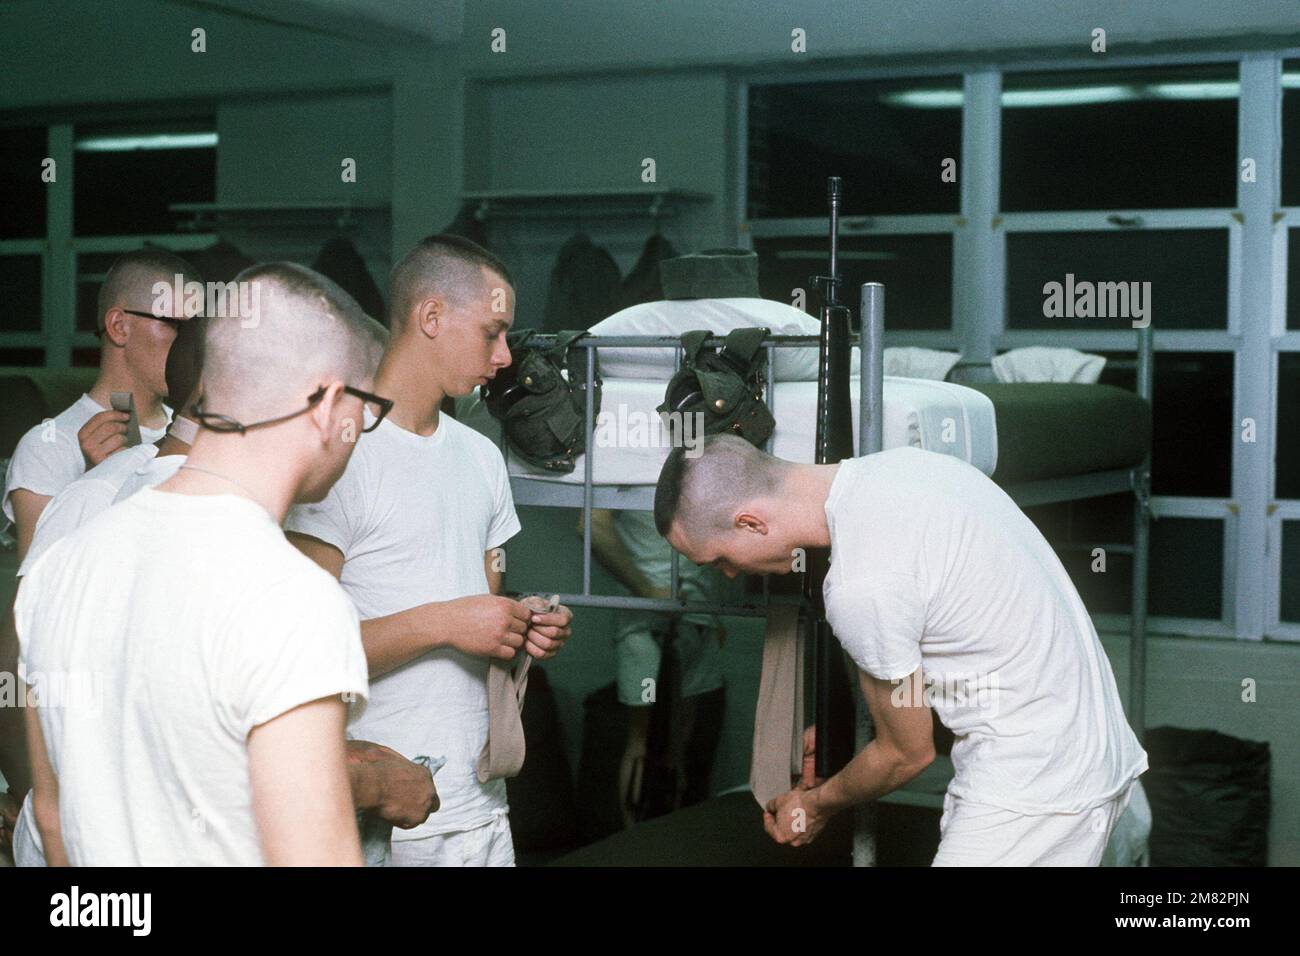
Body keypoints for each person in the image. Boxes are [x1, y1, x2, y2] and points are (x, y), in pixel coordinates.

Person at [15, 263, 387, 865]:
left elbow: (52, 820)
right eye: (367, 412)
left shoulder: (62, 564)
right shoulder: (294, 599)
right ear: (329, 404)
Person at [653, 435, 1149, 866]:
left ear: (751, 523)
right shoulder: (911, 467)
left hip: (1035, 786)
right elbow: (951, 647)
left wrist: (817, 804)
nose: (730, 574)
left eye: (720, 558)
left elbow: (906, 755)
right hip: (1087, 751)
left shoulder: (860, 583)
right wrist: (849, 731)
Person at [287, 234, 574, 867]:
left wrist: (521, 625)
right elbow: (299, 657)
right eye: (492, 332)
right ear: (432, 317)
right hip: (379, 815)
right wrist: (447, 622)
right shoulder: (341, 453)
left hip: (479, 805)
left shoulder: (480, 457)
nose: (503, 357)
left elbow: (480, 608)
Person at [2, 248, 194, 564]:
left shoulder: (191, 436)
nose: (190, 346)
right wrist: (97, 484)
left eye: (197, 331)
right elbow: (37, 599)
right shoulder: (47, 447)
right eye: (177, 326)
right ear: (119, 326)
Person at [582, 508, 728, 824]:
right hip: (649, 620)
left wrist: (712, 613)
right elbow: (590, 523)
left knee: (677, 742)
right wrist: (647, 591)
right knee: (646, 738)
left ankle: (665, 841)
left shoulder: (692, 458)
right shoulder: (624, 459)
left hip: (697, 615)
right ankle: (638, 843)